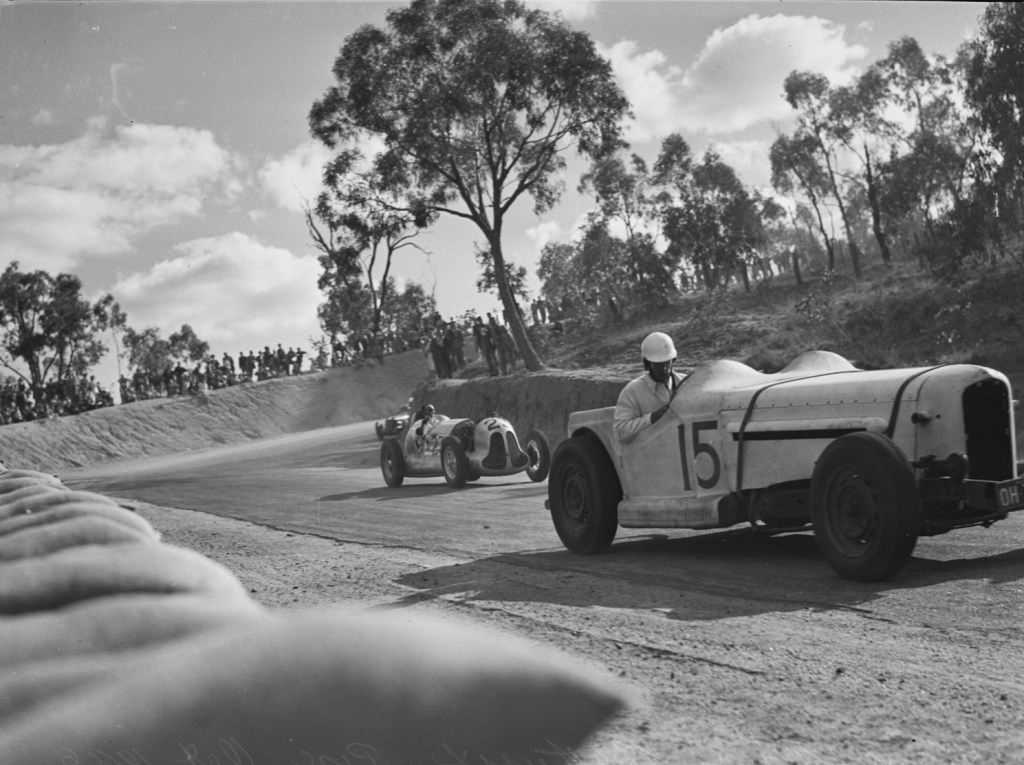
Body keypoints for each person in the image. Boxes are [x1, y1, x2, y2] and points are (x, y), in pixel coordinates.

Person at [613, 331, 685, 445]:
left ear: (674, 360)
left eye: (667, 362)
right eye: (659, 364)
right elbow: (620, 432)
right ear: (648, 364)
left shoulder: (687, 384)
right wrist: (651, 418)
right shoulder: (632, 391)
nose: (665, 368)